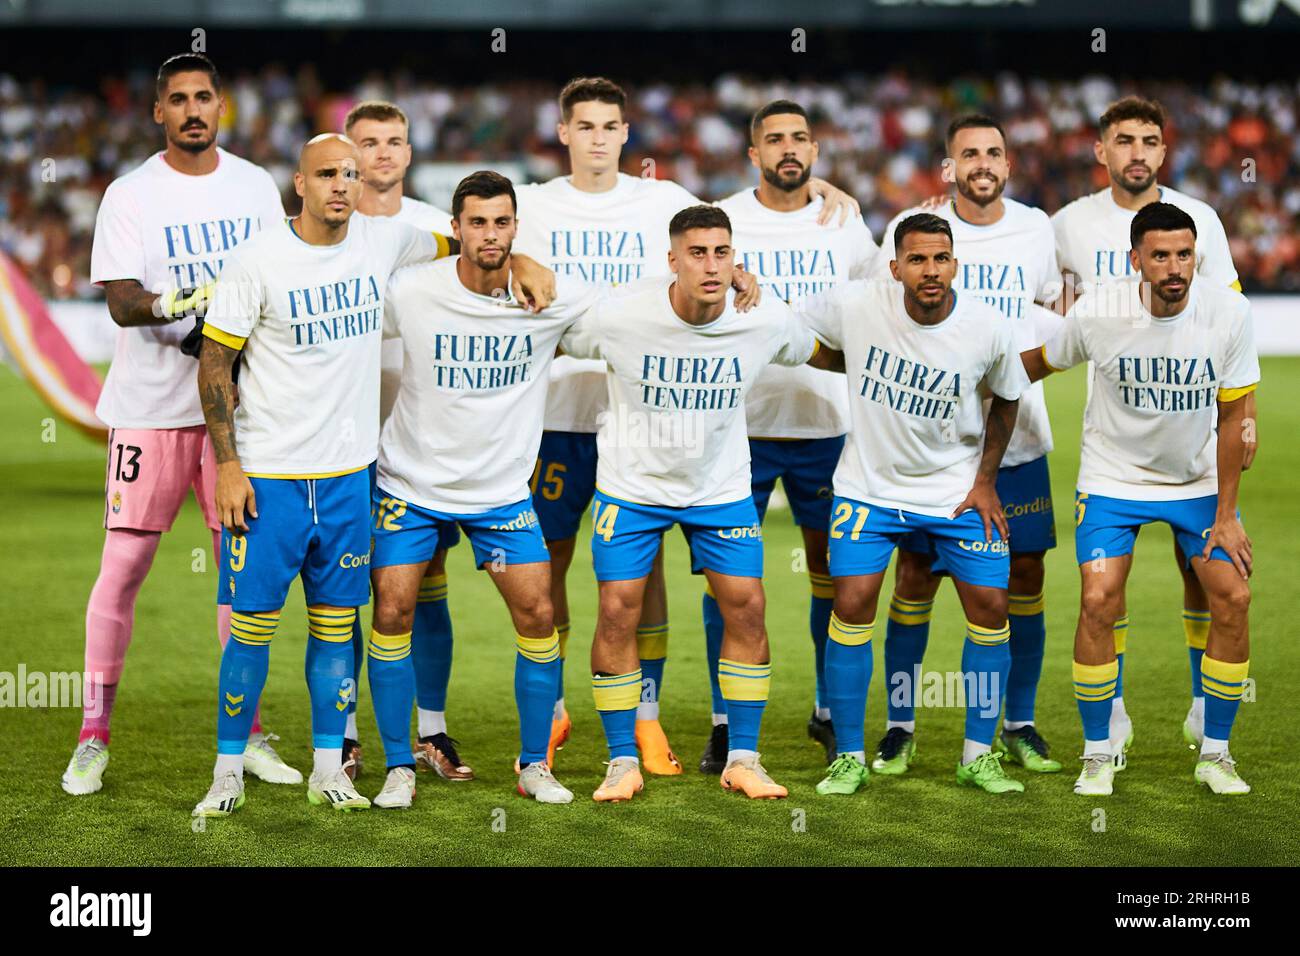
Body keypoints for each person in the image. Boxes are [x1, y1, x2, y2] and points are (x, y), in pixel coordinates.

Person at [190, 135, 553, 817]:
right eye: (327, 173)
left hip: (352, 482)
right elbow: (213, 366)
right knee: (251, 633)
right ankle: (227, 771)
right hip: (269, 477)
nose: (340, 185)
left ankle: (330, 768)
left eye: (351, 175)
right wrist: (229, 466)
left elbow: (465, 246)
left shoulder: (382, 240)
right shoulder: (256, 262)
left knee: (336, 632)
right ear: (299, 182)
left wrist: (523, 256)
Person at [513, 77, 857, 774]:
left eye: (611, 125)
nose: (599, 138)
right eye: (586, 126)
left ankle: (646, 722)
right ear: (563, 132)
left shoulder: (665, 201)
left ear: (626, 133)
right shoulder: (529, 204)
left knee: (651, 585)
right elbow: (473, 241)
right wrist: (518, 256)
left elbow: (728, 232)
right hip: (557, 414)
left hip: (652, 421)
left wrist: (827, 193)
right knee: (549, 581)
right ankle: (553, 713)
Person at [64, 53, 297, 797]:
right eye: (179, 100)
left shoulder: (255, 185)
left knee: (240, 574)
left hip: (235, 414)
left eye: (205, 97)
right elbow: (122, 301)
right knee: (124, 568)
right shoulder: (130, 194)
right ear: (158, 112)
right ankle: (92, 738)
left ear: (221, 106)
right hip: (150, 411)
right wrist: (180, 302)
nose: (194, 109)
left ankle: (250, 734)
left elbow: (278, 280)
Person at [560, 204, 839, 802]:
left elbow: (820, 349)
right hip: (632, 489)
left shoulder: (762, 317)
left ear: (735, 260)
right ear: (672, 260)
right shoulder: (621, 315)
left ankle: (743, 757)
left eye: (721, 252)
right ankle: (620, 760)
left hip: (719, 489)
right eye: (697, 253)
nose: (711, 265)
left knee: (747, 608)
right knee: (616, 611)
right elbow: (555, 332)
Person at [368, 171, 599, 807]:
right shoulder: (413, 292)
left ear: (516, 227)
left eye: (502, 223)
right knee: (392, 613)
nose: (490, 234)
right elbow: (344, 328)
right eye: (477, 222)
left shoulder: (549, 296)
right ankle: (399, 766)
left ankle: (533, 766)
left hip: (500, 496)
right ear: (456, 227)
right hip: (409, 485)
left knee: (539, 615)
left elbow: (637, 310)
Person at [1023, 202, 1258, 797]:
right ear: (1136, 260)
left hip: (1197, 484)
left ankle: (1216, 753)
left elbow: (1234, 416)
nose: (1175, 266)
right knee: (1099, 597)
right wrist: (965, 374)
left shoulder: (1228, 311)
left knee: (1232, 595)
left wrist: (1226, 515)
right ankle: (1100, 750)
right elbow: (1038, 364)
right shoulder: (1099, 311)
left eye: (1184, 254)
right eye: (1160, 255)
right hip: (1112, 481)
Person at [800, 213, 1029, 796]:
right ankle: (849, 754)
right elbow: (800, 336)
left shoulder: (987, 326)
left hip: (954, 493)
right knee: (850, 605)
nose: (931, 271)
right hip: (868, 490)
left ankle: (978, 755)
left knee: (992, 607)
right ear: (895, 266)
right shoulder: (855, 304)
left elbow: (1007, 400)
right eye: (919, 260)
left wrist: (984, 482)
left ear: (955, 263)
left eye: (942, 258)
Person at [869, 114, 1062, 776]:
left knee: (1022, 580)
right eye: (968, 153)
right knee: (916, 576)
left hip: (1018, 437)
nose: (983, 162)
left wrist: (1017, 372)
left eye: (995, 152)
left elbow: (1052, 319)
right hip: (930, 446)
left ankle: (1019, 722)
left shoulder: (1038, 229)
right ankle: (900, 726)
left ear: (1008, 164)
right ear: (947, 167)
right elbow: (882, 321)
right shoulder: (914, 229)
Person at [707, 99, 878, 770]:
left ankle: (829, 710)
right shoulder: (724, 219)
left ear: (815, 150)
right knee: (727, 579)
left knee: (834, 576)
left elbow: (876, 306)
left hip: (827, 426)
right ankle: (725, 723)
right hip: (737, 427)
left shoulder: (846, 225)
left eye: (799, 137)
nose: (788, 147)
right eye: (773, 138)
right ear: (753, 153)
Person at [343, 99, 470, 782]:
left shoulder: (433, 228)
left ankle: (432, 729)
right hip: (340, 437)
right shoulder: (325, 226)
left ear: (410, 152)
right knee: (347, 589)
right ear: (348, 151)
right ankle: (349, 733)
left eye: (395, 141)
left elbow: (494, 256)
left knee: (426, 585)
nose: (384, 153)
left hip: (420, 439)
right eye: (369, 142)